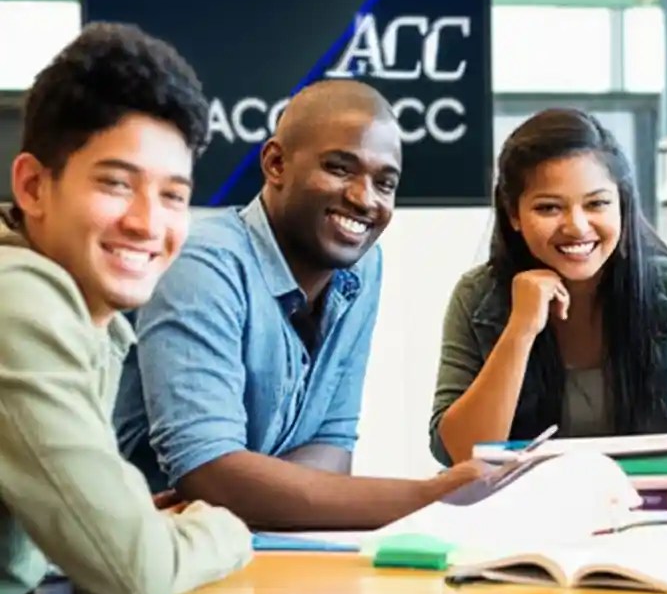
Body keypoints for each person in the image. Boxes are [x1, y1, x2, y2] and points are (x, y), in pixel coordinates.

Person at [114, 78, 484, 531]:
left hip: (250, 551)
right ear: (275, 163)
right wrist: (429, 495)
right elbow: (208, 472)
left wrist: (244, 489)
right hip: (139, 564)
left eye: (384, 183)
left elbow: (333, 445)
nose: (365, 198)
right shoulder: (203, 264)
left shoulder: (362, 267)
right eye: (340, 168)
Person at [0, 22, 250, 594]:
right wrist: (223, 527)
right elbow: (134, 571)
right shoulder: (21, 300)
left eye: (173, 196)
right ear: (34, 187)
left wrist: (138, 523)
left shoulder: (92, 314)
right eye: (116, 184)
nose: (147, 222)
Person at [430, 108, 667, 465]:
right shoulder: (477, 297)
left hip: (653, 509)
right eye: (548, 208)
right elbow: (459, 453)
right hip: (517, 513)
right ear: (513, 214)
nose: (576, 226)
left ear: (622, 205)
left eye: (597, 203)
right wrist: (520, 330)